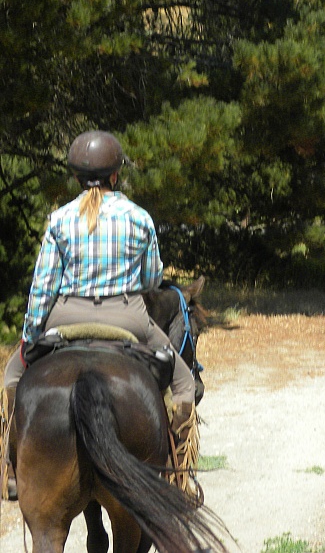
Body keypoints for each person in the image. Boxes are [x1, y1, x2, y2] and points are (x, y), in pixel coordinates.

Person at [1, 130, 198, 501]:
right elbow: (152, 279)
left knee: (12, 375)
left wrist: (30, 336)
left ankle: (12, 468)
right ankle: (178, 477)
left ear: (76, 176)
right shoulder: (139, 218)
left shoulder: (59, 220)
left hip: (64, 316)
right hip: (128, 316)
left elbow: (43, 287)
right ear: (115, 175)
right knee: (184, 382)